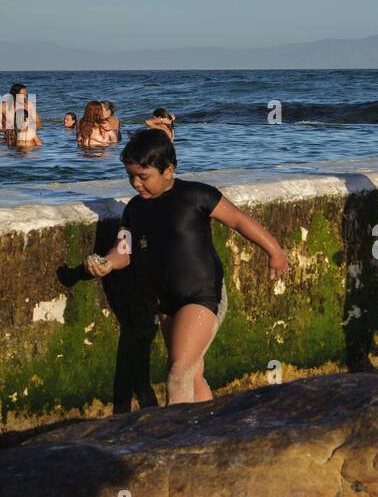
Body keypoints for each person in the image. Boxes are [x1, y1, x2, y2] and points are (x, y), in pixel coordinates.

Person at [84, 129, 289, 404]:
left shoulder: (196, 195)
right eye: (130, 175)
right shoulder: (134, 209)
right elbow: (124, 250)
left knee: (178, 374)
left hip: (203, 295)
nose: (135, 183)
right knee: (191, 375)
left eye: (143, 177)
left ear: (168, 170)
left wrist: (274, 251)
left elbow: (239, 221)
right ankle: (209, 432)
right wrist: (107, 263)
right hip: (167, 302)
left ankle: (175, 441)